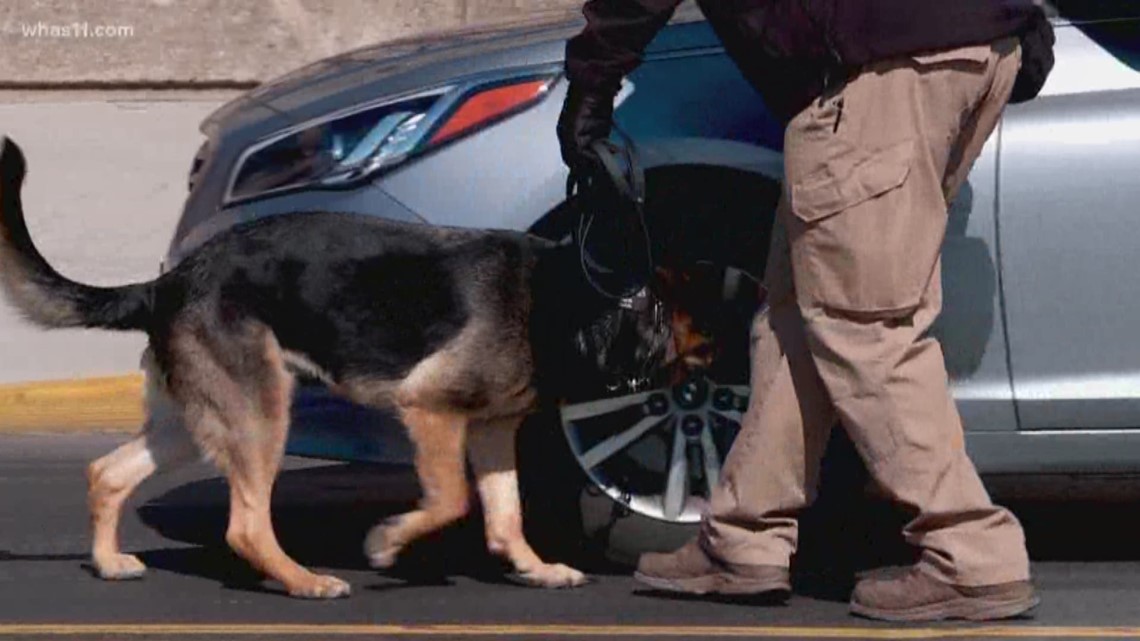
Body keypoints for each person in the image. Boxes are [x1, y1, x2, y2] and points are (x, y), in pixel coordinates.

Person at [557, 0, 1055, 622]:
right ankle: (743, 538)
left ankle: (971, 554)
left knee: (865, 326)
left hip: (882, 71)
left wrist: (590, 87)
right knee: (795, 313)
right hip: (956, 49)